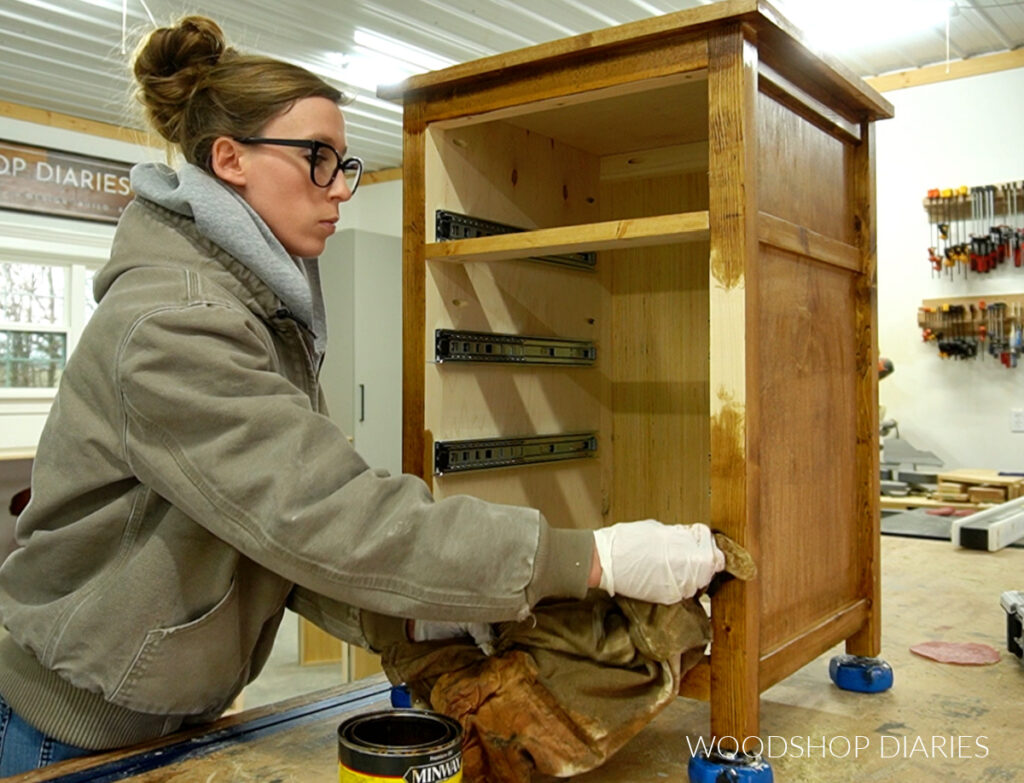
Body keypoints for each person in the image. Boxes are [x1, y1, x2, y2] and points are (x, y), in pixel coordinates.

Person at [0, 15, 724, 775]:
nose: (339, 189)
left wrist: (436, 605)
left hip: (162, 709)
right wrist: (594, 558)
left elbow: (273, 535)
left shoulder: (253, 310)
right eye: (317, 158)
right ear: (229, 159)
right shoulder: (173, 325)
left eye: (343, 163)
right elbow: (325, 515)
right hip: (74, 726)